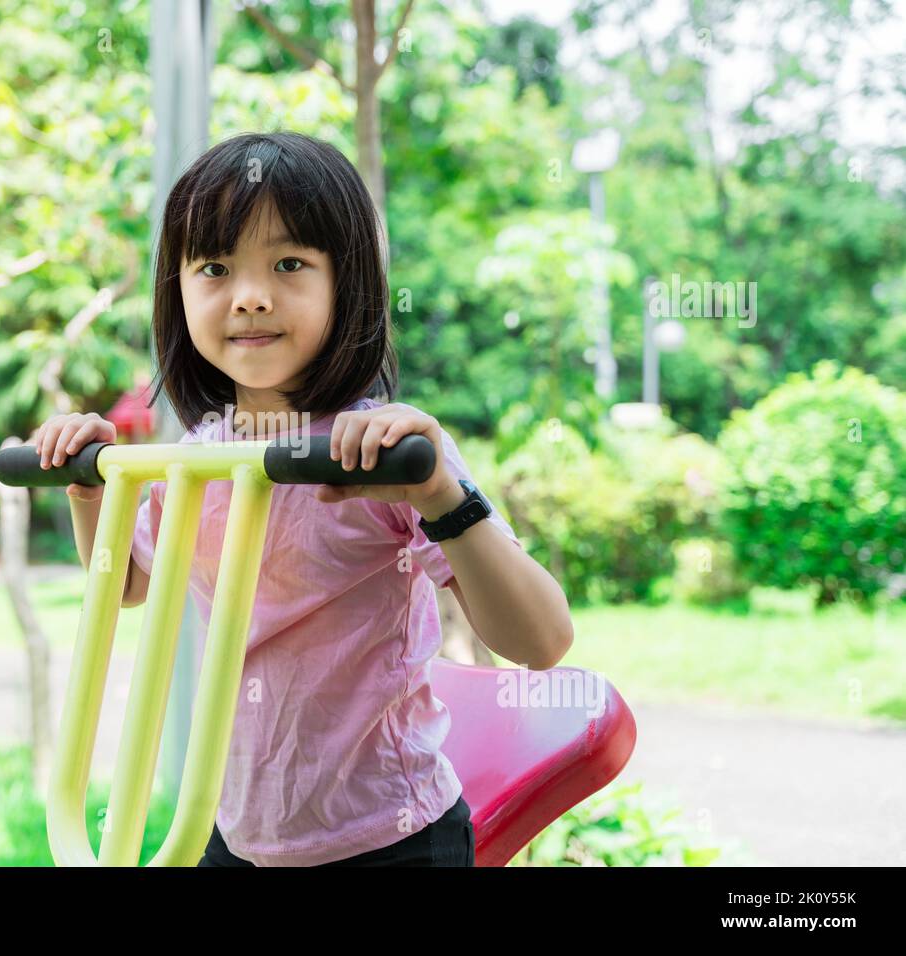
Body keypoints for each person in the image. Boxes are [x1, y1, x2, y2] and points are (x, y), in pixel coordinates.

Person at [29, 131, 574, 867]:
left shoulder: (382, 450)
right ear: (178, 292)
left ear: (344, 285)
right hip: (237, 831)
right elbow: (126, 585)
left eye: (289, 264)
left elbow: (541, 640)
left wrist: (440, 494)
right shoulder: (196, 461)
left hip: (389, 836)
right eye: (215, 268)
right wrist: (92, 481)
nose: (251, 296)